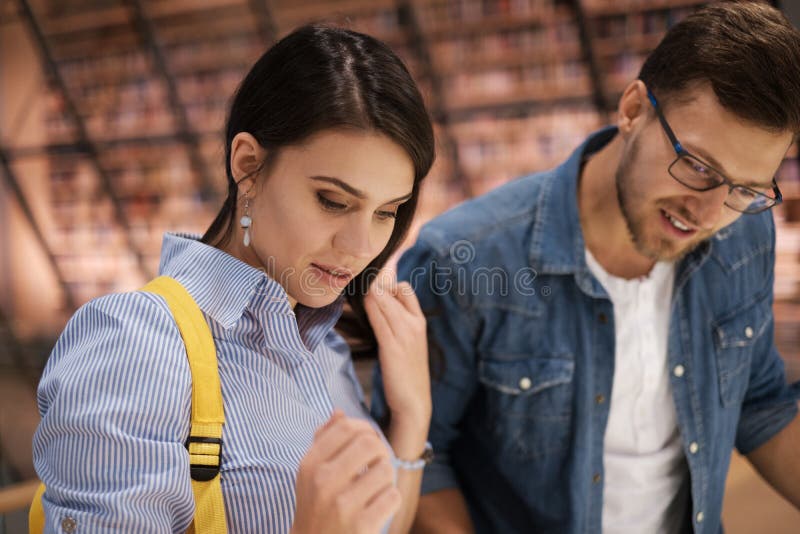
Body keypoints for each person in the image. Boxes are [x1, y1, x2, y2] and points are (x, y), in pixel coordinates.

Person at [371, 2, 800, 533]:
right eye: (696, 166)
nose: (710, 214)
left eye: (745, 190)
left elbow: (760, 402)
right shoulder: (464, 260)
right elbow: (418, 453)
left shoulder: (745, 235)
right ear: (633, 109)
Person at [33, 25, 434, 533]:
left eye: (386, 212)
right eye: (333, 201)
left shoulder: (323, 345)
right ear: (248, 166)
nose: (360, 246)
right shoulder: (135, 344)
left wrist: (412, 416)